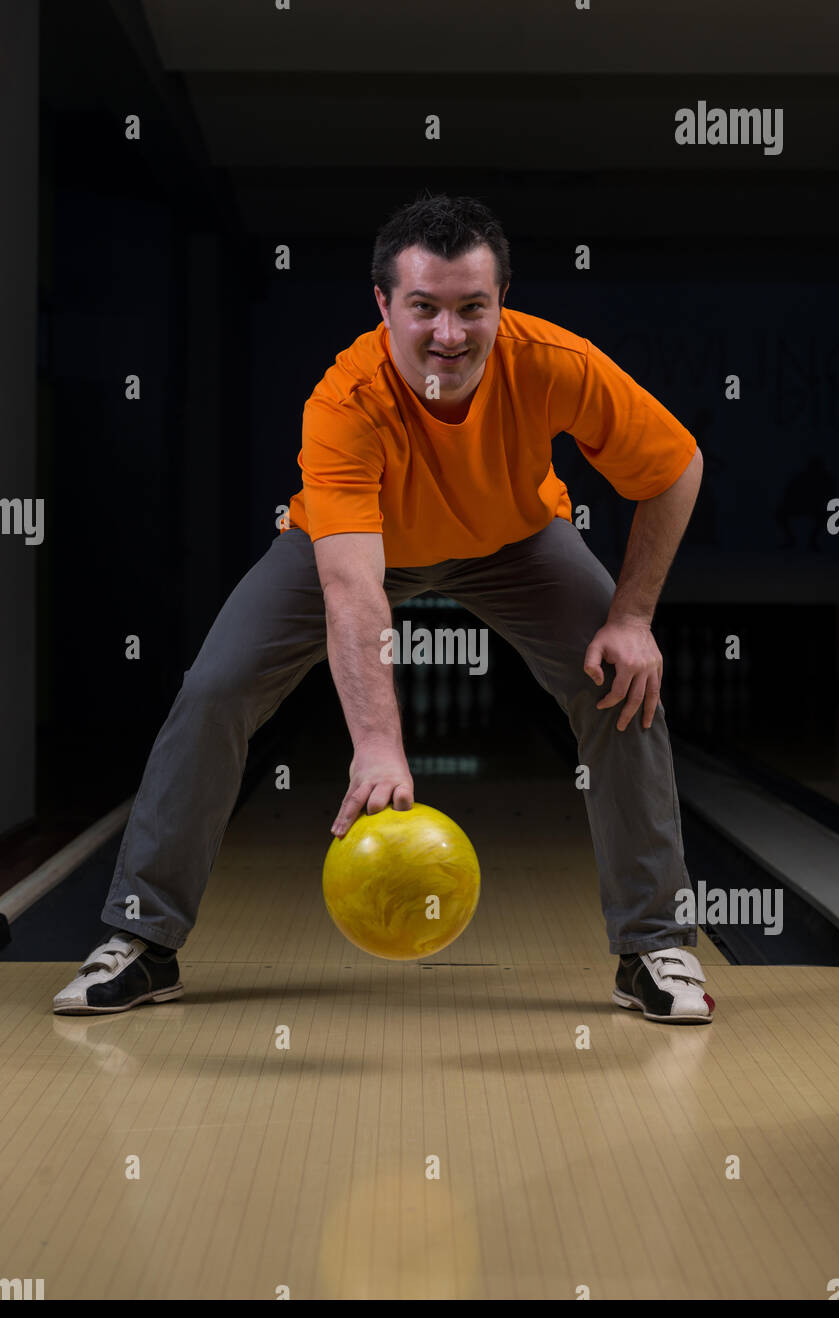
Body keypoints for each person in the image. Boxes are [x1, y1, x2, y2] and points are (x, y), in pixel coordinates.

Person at [54, 193, 714, 1025]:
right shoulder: (344, 402)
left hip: (515, 542)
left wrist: (631, 617)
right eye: (424, 308)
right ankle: (143, 941)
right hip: (349, 550)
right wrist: (376, 747)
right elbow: (352, 588)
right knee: (216, 688)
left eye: (472, 307)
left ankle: (654, 946)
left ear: (499, 302)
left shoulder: (553, 362)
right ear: (383, 306)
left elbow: (674, 466)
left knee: (622, 687)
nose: (449, 334)